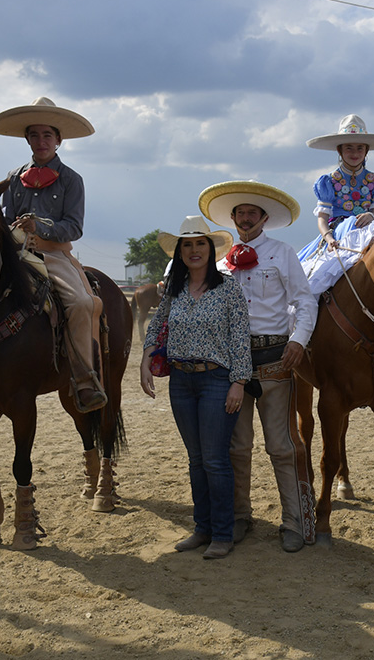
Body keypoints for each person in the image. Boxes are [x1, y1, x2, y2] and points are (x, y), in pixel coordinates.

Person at [200, 180, 318, 553]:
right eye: (240, 213)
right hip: (231, 365)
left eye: (253, 212)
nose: (246, 218)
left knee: (282, 444)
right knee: (237, 445)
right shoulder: (219, 264)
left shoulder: (282, 254)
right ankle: (239, 517)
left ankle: (295, 522)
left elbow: (305, 301)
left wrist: (298, 340)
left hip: (275, 359)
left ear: (264, 218)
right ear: (233, 219)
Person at [139, 215, 252, 560]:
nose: (193, 250)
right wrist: (145, 358)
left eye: (199, 243)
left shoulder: (229, 287)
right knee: (196, 459)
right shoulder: (175, 288)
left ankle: (222, 533)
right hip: (182, 380)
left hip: (217, 380)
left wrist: (238, 382)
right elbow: (158, 323)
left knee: (216, 460)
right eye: (187, 244)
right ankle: (202, 529)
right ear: (181, 250)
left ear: (210, 248)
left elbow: (240, 336)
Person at [0, 96, 107, 413]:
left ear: (59, 140)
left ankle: (84, 380)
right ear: (27, 139)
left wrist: (40, 228)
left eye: (47, 135)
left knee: (82, 303)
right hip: (17, 253)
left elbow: (74, 227)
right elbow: (6, 218)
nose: (40, 141)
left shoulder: (72, 180)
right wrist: (13, 228)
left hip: (54, 256)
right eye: (34, 135)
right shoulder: (15, 178)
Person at [297, 114, 374, 296]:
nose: (354, 153)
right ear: (339, 150)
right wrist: (329, 239)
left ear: (366, 151)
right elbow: (322, 219)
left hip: (367, 229)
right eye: (349, 148)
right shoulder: (328, 181)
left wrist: (372, 216)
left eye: (360, 148)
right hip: (338, 233)